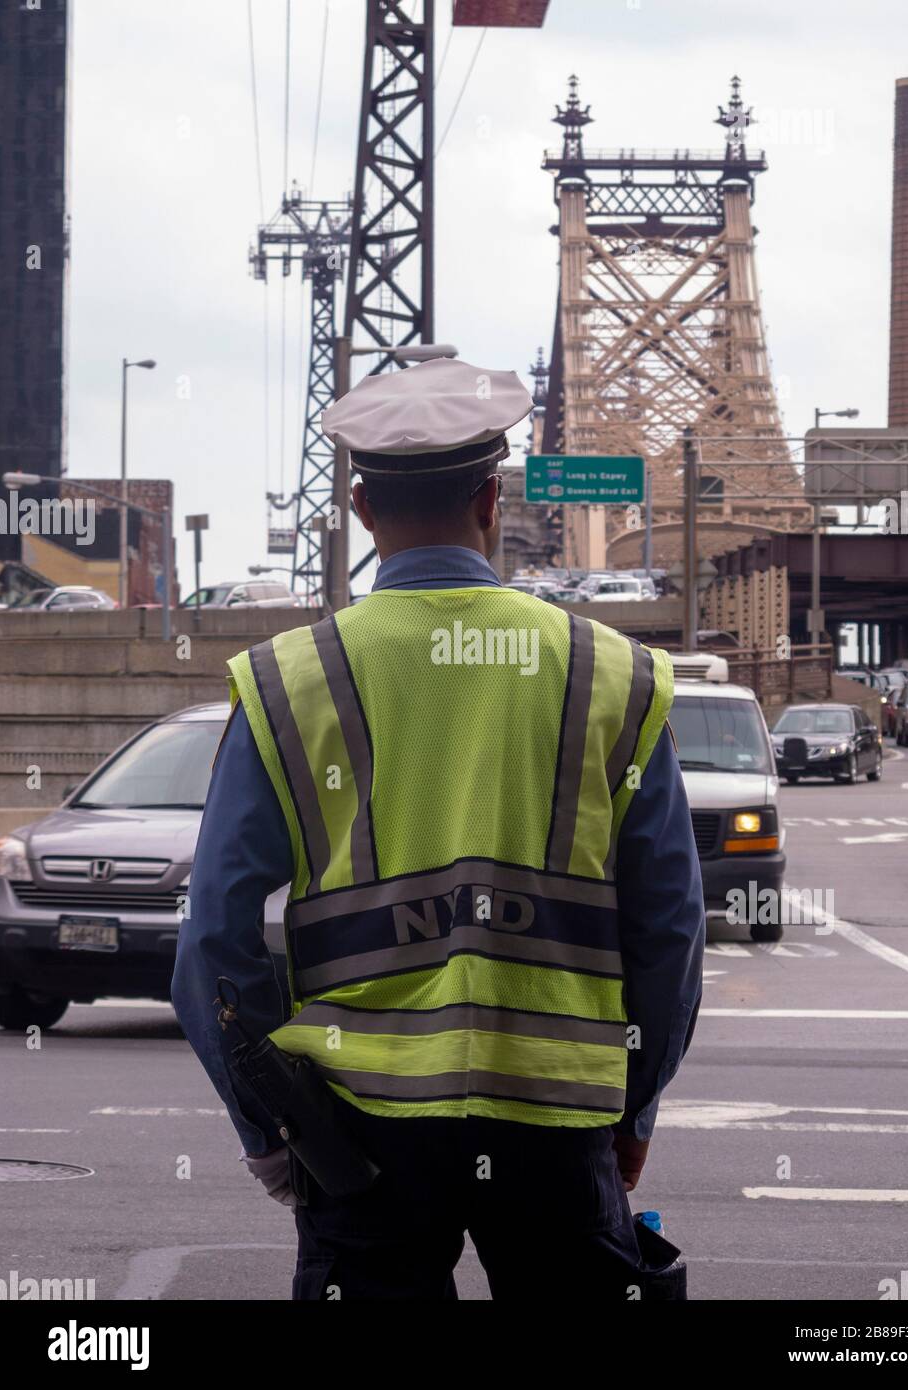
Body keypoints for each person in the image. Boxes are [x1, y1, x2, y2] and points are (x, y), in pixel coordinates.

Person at [172, 357, 705, 1300]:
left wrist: (276, 1133)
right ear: (491, 499)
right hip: (556, 1117)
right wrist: (633, 1109)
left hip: (358, 1130)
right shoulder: (610, 676)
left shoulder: (290, 681)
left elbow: (213, 945)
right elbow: (668, 934)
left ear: (362, 509)